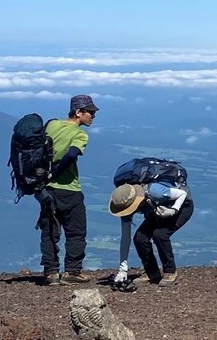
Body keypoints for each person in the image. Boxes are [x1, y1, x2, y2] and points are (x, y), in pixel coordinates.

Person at [39, 94, 98, 285]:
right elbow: (72, 154)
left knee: (49, 232)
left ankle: (50, 273)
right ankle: (72, 271)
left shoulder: (51, 125)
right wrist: (56, 172)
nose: (93, 116)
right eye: (90, 112)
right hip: (69, 190)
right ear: (78, 112)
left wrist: (48, 176)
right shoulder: (80, 134)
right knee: (76, 232)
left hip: (46, 190)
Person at [108, 177, 194, 287]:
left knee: (160, 235)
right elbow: (126, 237)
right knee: (140, 238)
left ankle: (170, 272)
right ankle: (151, 273)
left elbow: (182, 194)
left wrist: (173, 210)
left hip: (183, 206)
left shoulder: (154, 191)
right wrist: (122, 270)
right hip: (158, 209)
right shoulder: (124, 204)